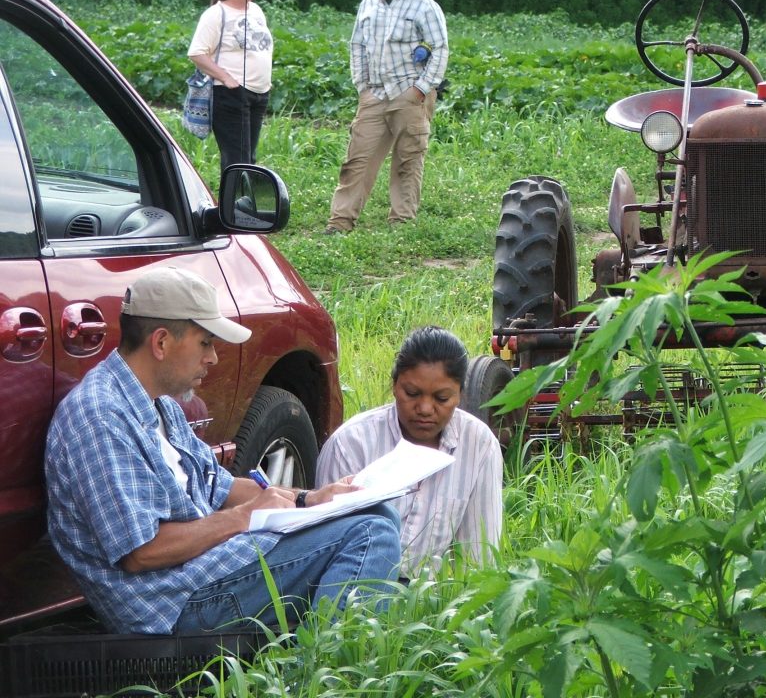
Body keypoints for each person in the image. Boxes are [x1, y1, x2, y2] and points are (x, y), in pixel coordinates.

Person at [45, 267, 400, 635]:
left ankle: (322, 654)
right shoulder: (100, 416)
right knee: (370, 534)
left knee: (377, 512)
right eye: (205, 343)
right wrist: (242, 518)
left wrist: (310, 499)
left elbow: (218, 486)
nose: (213, 358)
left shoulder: (159, 404)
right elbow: (141, 553)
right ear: (162, 342)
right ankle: (331, 673)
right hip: (172, 603)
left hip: (210, 570)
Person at [316, 327, 502, 578]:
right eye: (412, 394)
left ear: (460, 395)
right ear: (394, 386)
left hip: (429, 601)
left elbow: (478, 557)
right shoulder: (351, 444)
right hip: (354, 595)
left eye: (442, 398)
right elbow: (323, 551)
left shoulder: (479, 445)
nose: (425, 408)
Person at [325, 0, 449, 235]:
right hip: (375, 94)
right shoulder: (369, 3)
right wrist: (362, 86)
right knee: (356, 158)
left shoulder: (424, 6)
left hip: (409, 93)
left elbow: (440, 48)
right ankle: (340, 222)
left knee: (408, 159)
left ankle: (401, 222)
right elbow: (357, 46)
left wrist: (421, 88)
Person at [188, 0, 274, 172]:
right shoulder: (216, 14)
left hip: (259, 93)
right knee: (238, 159)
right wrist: (226, 78)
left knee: (249, 158)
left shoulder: (256, 10)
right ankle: (231, 203)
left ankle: (242, 202)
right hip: (231, 94)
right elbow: (197, 53)